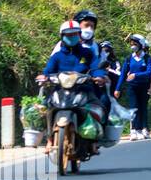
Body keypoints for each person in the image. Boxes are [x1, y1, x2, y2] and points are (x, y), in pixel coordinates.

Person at [36, 20, 108, 153]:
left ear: (79, 35)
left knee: (100, 108)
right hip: (60, 89)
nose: (71, 37)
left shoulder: (88, 53)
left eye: (74, 34)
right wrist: (44, 77)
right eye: (68, 35)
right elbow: (48, 70)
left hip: (83, 89)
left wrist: (99, 76)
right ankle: (49, 139)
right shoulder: (57, 56)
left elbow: (95, 67)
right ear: (62, 36)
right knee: (44, 109)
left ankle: (94, 140)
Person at [115, 34, 151, 140]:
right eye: (131, 43)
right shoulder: (129, 58)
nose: (132, 46)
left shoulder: (147, 58)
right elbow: (123, 74)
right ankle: (134, 131)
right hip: (132, 87)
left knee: (142, 108)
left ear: (141, 45)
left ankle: (142, 129)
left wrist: (135, 75)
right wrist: (117, 88)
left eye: (135, 44)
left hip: (144, 86)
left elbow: (148, 73)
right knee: (133, 107)